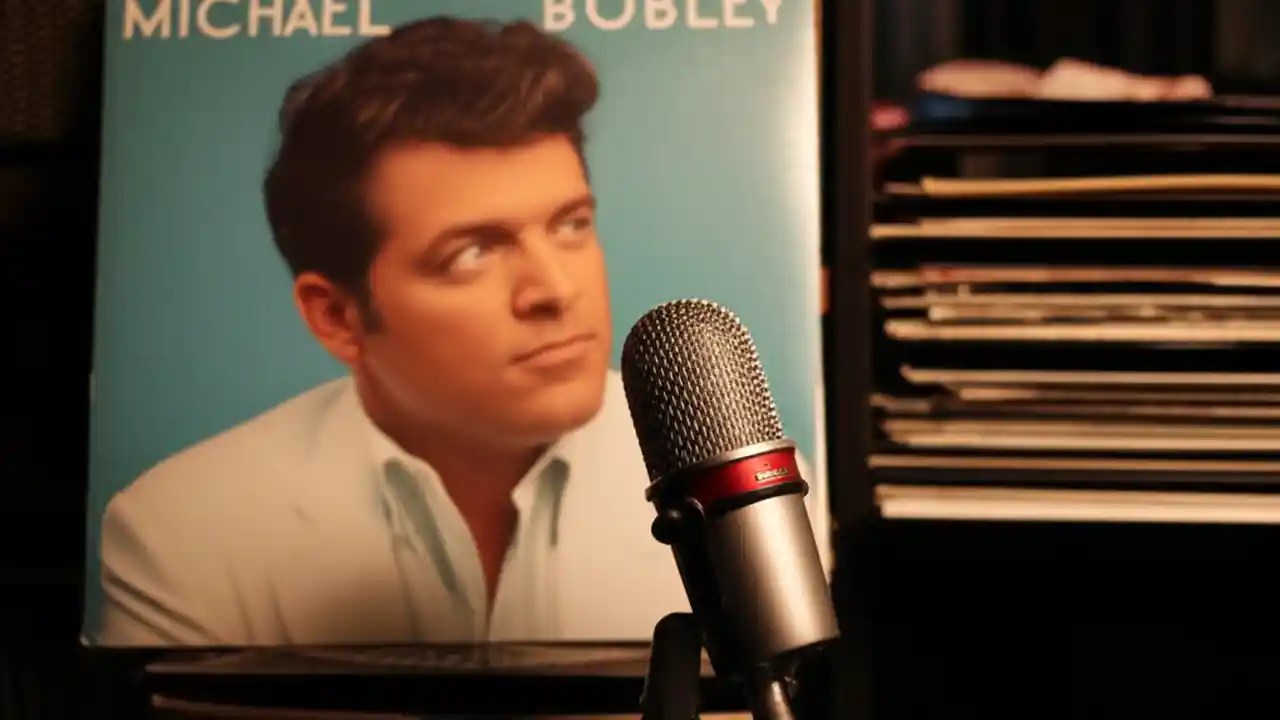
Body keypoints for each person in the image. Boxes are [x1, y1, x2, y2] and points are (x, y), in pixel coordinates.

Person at [97, 16, 828, 647]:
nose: (555, 290)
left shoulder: (751, 513)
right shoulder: (178, 529)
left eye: (571, 224)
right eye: (472, 252)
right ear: (337, 316)